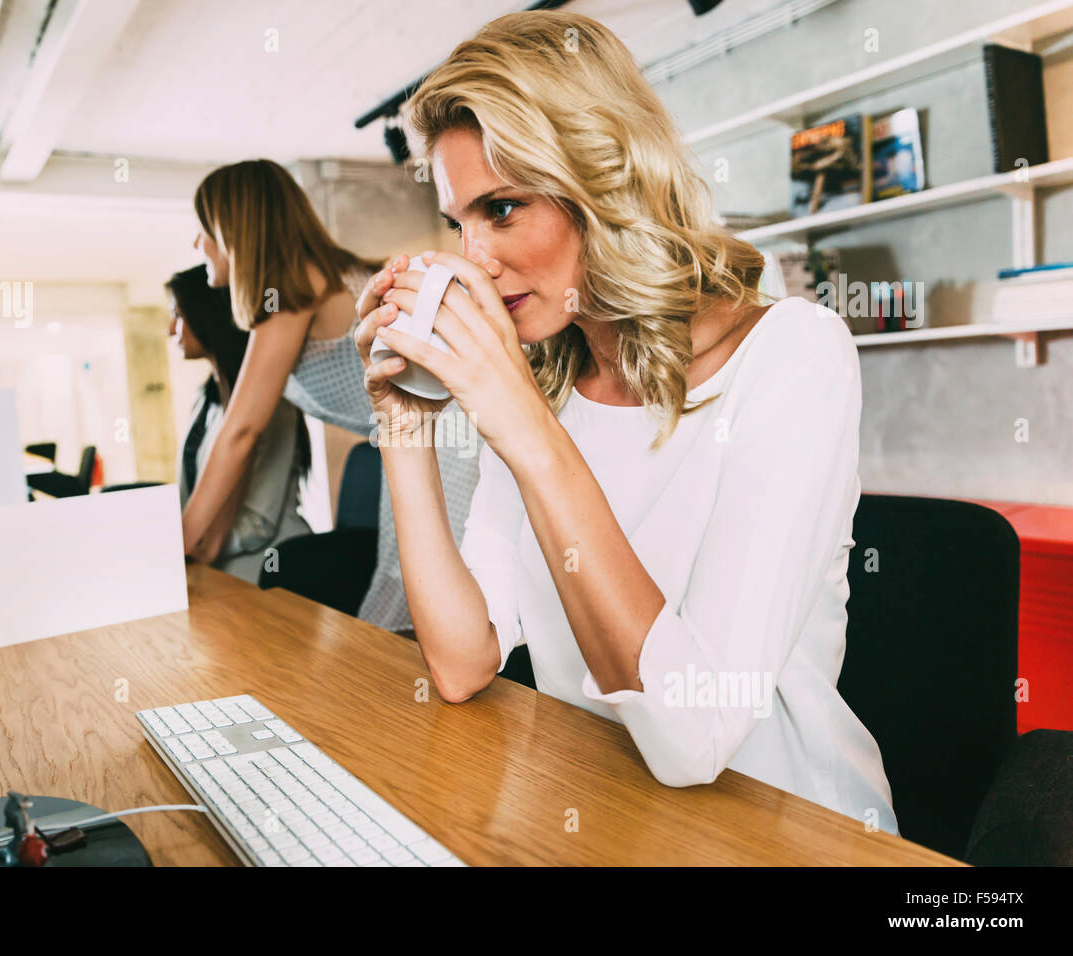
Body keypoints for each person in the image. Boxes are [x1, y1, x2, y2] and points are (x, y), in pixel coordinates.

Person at [353, 10, 897, 833]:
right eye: (459, 223)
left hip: (782, 828)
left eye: (502, 209)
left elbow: (694, 738)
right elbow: (462, 662)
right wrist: (403, 421)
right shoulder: (545, 377)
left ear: (602, 184)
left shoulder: (793, 355)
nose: (475, 259)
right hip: (602, 806)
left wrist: (528, 429)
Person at [182, 160, 482, 631]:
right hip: (426, 437)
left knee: (428, 606)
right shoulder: (311, 277)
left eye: (203, 229)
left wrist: (176, 546)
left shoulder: (289, 286)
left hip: (448, 440)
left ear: (232, 227)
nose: (196, 244)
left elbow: (242, 429)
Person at [167, 264, 311, 582]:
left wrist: (198, 550)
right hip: (211, 568)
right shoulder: (204, 398)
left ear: (206, 315)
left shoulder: (270, 401)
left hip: (272, 571)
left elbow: (258, 523)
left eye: (178, 314)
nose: (170, 329)